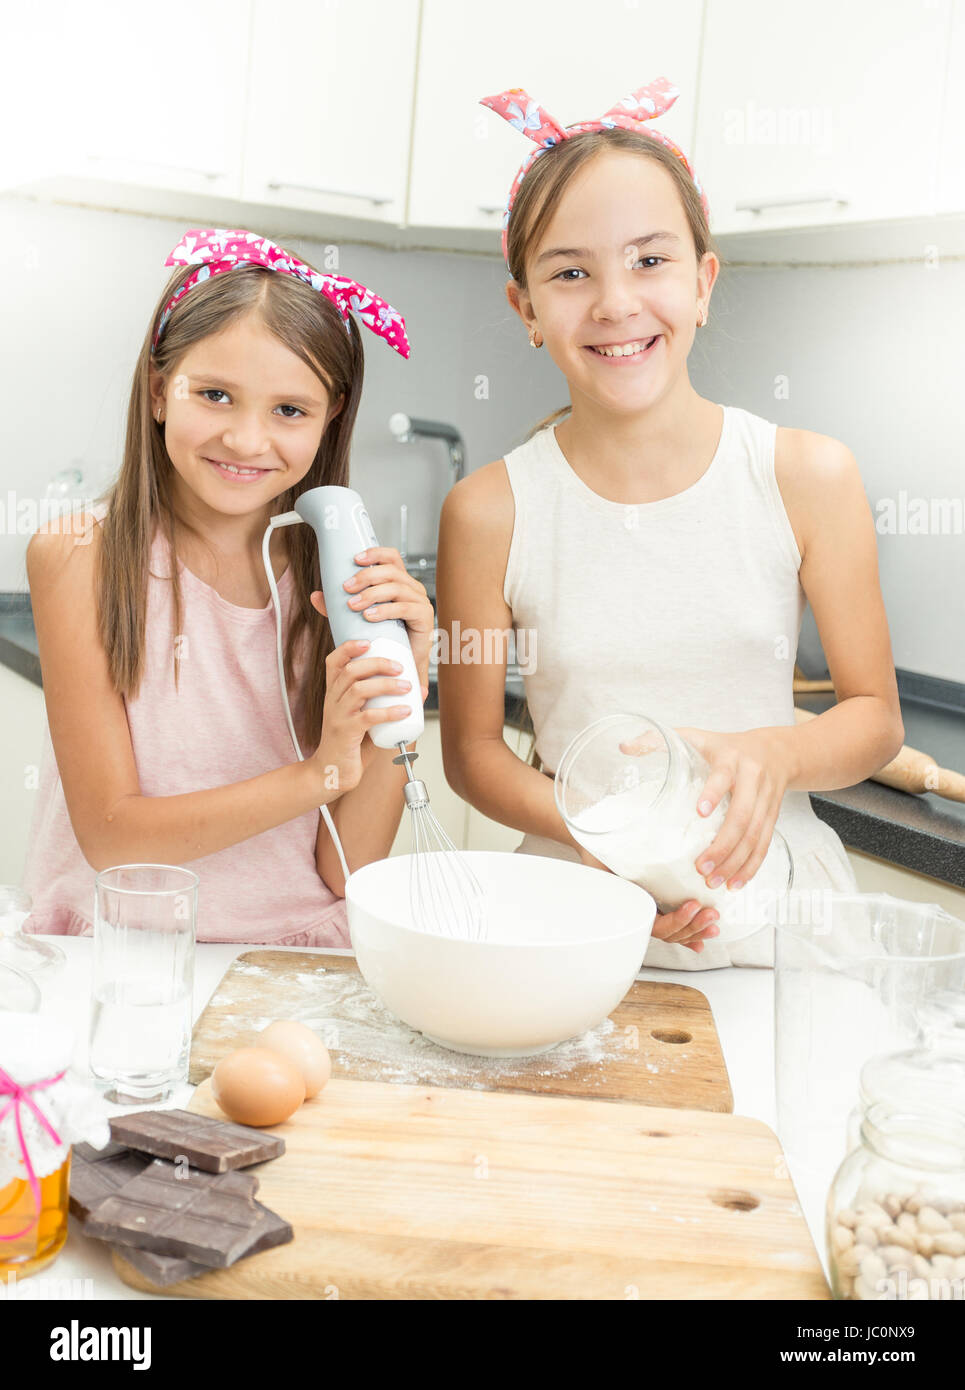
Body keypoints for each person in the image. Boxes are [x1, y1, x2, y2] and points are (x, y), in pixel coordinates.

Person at [437, 81, 904, 968]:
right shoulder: (490, 509)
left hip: (775, 911)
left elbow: (874, 717)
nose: (614, 302)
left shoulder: (805, 475)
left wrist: (774, 754)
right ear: (525, 308)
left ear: (703, 282)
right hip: (579, 907)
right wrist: (603, 841)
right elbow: (469, 754)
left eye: (649, 260)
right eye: (569, 272)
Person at [22, 228, 434, 945]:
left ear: (330, 416)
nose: (247, 440)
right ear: (158, 391)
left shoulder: (339, 580)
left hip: (294, 952)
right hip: (128, 955)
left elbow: (349, 869)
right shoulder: (79, 557)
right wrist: (319, 772)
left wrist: (405, 685)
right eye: (215, 395)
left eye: (289, 410)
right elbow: (115, 840)